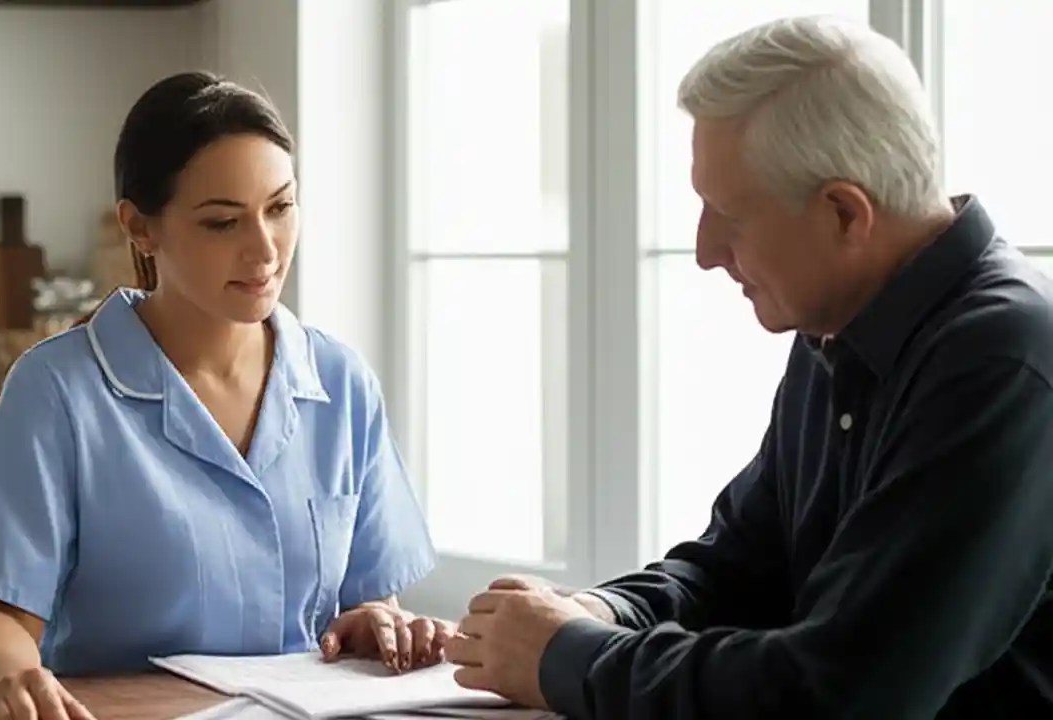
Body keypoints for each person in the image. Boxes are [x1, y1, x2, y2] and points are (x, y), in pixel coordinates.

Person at [447, 15, 1053, 719]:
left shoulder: (1002, 364)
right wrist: (593, 610)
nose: (704, 250)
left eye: (727, 215)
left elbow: (840, 693)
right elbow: (737, 567)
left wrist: (565, 657)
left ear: (844, 215)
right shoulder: (838, 325)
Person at [0, 72, 450, 720]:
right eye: (222, 222)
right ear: (140, 227)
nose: (264, 249)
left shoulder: (341, 382)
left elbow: (363, 603)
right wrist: (12, 681)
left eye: (281, 208)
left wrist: (377, 622)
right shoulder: (59, 391)